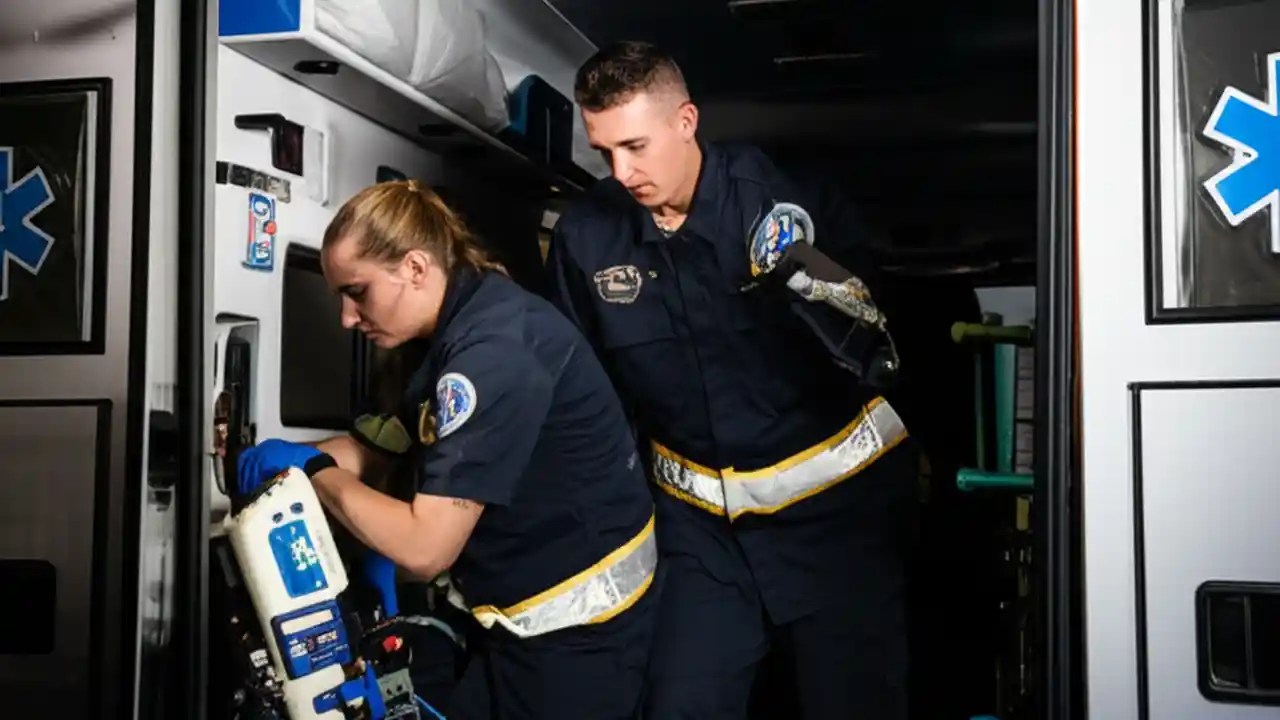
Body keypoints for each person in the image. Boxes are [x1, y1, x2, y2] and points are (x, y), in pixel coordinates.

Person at [544, 41, 918, 719]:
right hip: (699, 536)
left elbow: (877, 342)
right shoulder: (587, 239)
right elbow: (584, 396)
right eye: (604, 153)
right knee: (679, 703)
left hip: (833, 525)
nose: (621, 172)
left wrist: (817, 292)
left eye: (635, 146)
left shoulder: (781, 207)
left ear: (685, 121)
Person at [235, 180, 661, 720]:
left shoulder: (492, 355)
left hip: (580, 633)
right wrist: (279, 466)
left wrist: (314, 472)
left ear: (414, 268)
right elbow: (376, 450)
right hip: (512, 617)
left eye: (356, 292)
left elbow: (424, 548)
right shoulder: (445, 331)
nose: (346, 317)